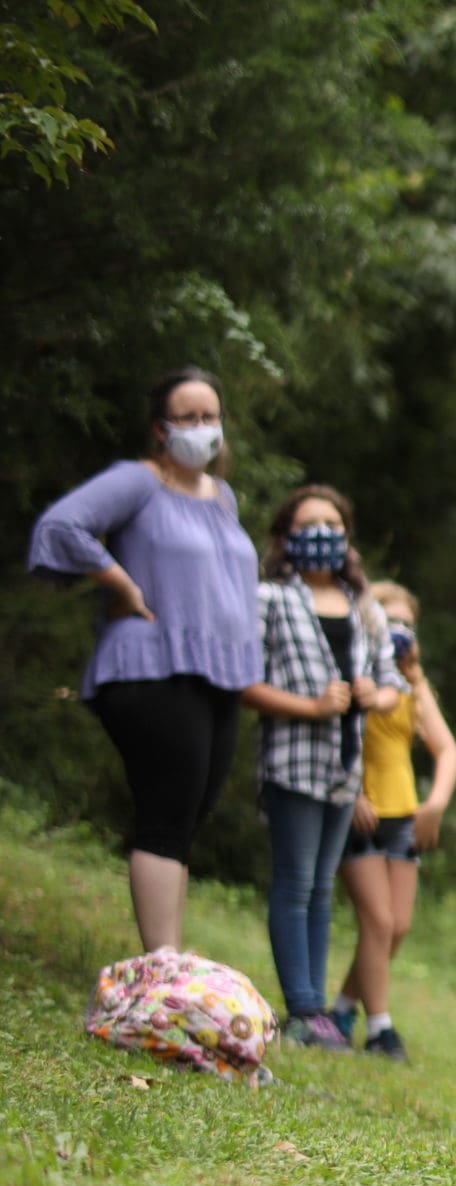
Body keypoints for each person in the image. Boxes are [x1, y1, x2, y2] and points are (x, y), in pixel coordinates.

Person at [25, 368, 262, 953]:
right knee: (166, 813)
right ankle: (160, 965)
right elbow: (62, 526)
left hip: (217, 676)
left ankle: (170, 960)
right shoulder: (139, 482)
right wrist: (120, 582)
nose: (202, 428)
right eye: (188, 417)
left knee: (186, 819)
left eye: (210, 416)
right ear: (160, 428)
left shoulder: (223, 497)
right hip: (152, 666)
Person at [240, 486, 404, 1049]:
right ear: (285, 536)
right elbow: (244, 682)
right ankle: (303, 1009)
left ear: (347, 536)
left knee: (320, 889)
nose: (322, 534)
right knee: (294, 881)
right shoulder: (268, 598)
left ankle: (314, 1014)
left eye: (332, 525)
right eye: (309, 523)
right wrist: (310, 706)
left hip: (344, 770)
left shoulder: (364, 606)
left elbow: (393, 683)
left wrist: (375, 695)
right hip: (292, 764)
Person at [327, 580, 456, 1062]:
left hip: (403, 813)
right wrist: (353, 793)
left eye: (408, 624)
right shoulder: (356, 671)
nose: (400, 630)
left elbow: (447, 750)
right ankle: (380, 1028)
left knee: (396, 926)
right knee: (377, 921)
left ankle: (342, 1010)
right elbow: (335, 737)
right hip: (361, 811)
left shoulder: (412, 685)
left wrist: (435, 804)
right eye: (392, 620)